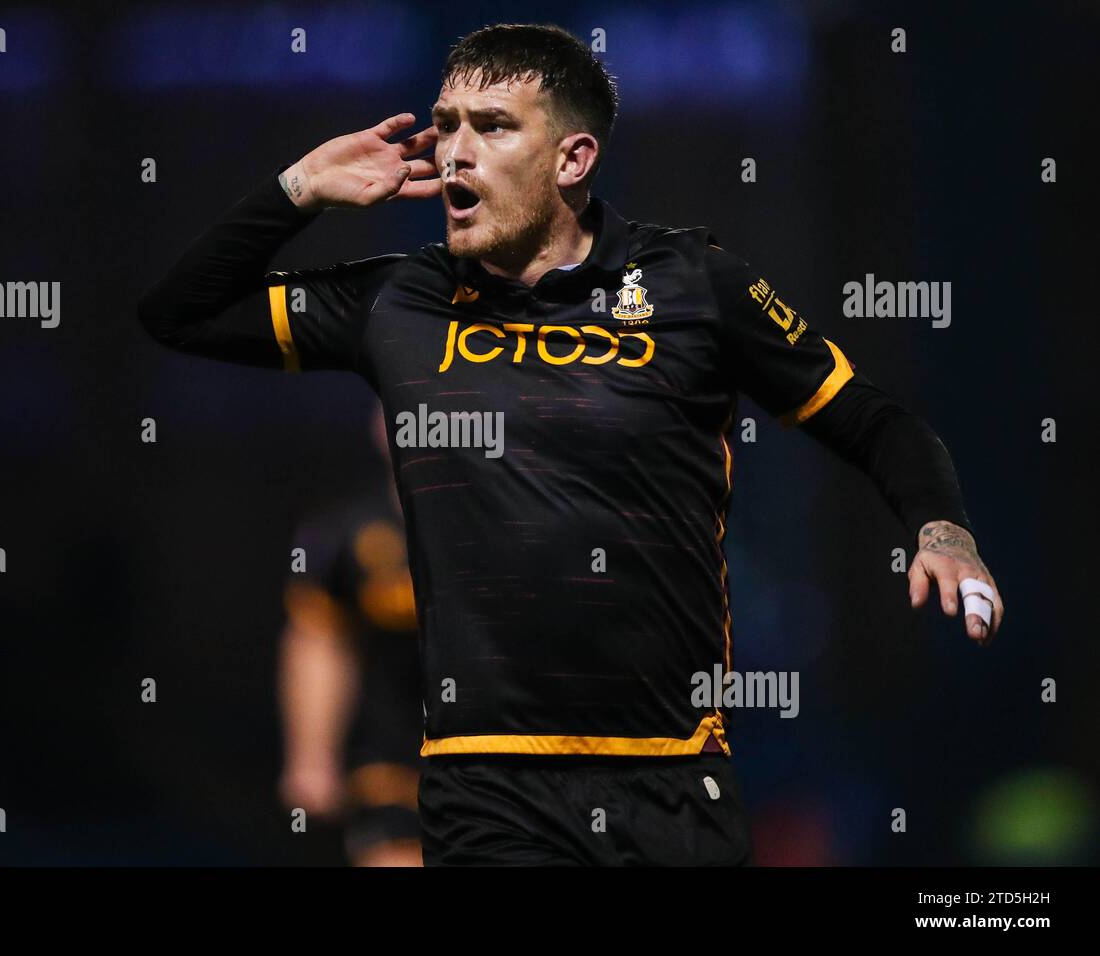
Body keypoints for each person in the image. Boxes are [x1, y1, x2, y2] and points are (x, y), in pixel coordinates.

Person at [138, 22, 1003, 866]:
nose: (454, 154)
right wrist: (298, 189)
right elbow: (179, 313)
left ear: (573, 159)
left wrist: (942, 530)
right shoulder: (399, 302)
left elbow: (872, 418)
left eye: (492, 127)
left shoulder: (693, 283)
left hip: (672, 780)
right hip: (487, 789)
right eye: (445, 128)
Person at [277, 403, 423, 866]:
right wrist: (311, 758)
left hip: (500, 767)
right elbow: (318, 641)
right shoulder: (343, 533)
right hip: (389, 767)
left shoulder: (510, 528)